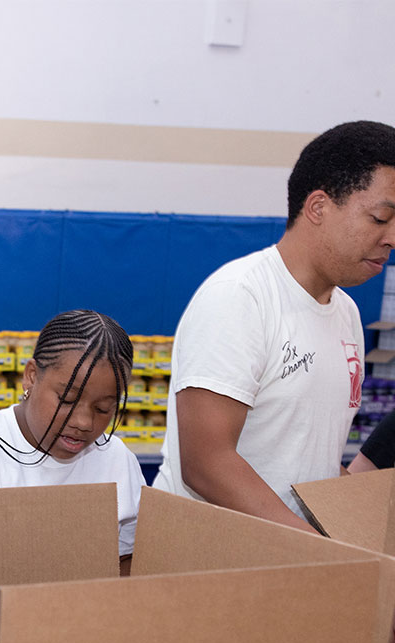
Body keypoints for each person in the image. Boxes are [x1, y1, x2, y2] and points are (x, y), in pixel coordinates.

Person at [153, 120, 395, 531]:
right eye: (380, 218)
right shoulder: (240, 296)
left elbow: (303, 459)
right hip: (205, 554)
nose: (391, 237)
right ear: (318, 207)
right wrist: (313, 546)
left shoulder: (347, 313)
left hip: (288, 557)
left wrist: (354, 525)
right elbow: (206, 463)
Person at [0, 310, 145, 572]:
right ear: (32, 376)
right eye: (67, 399)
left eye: (103, 409)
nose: (84, 422)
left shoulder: (116, 460)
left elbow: (127, 562)